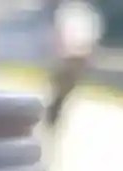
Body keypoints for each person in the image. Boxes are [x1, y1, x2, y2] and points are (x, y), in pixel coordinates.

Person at [45, 0, 104, 129]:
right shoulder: (71, 11)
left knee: (66, 89)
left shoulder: (83, 11)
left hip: (76, 56)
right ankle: (53, 114)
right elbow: (61, 34)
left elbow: (90, 36)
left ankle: (54, 113)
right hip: (69, 56)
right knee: (61, 88)